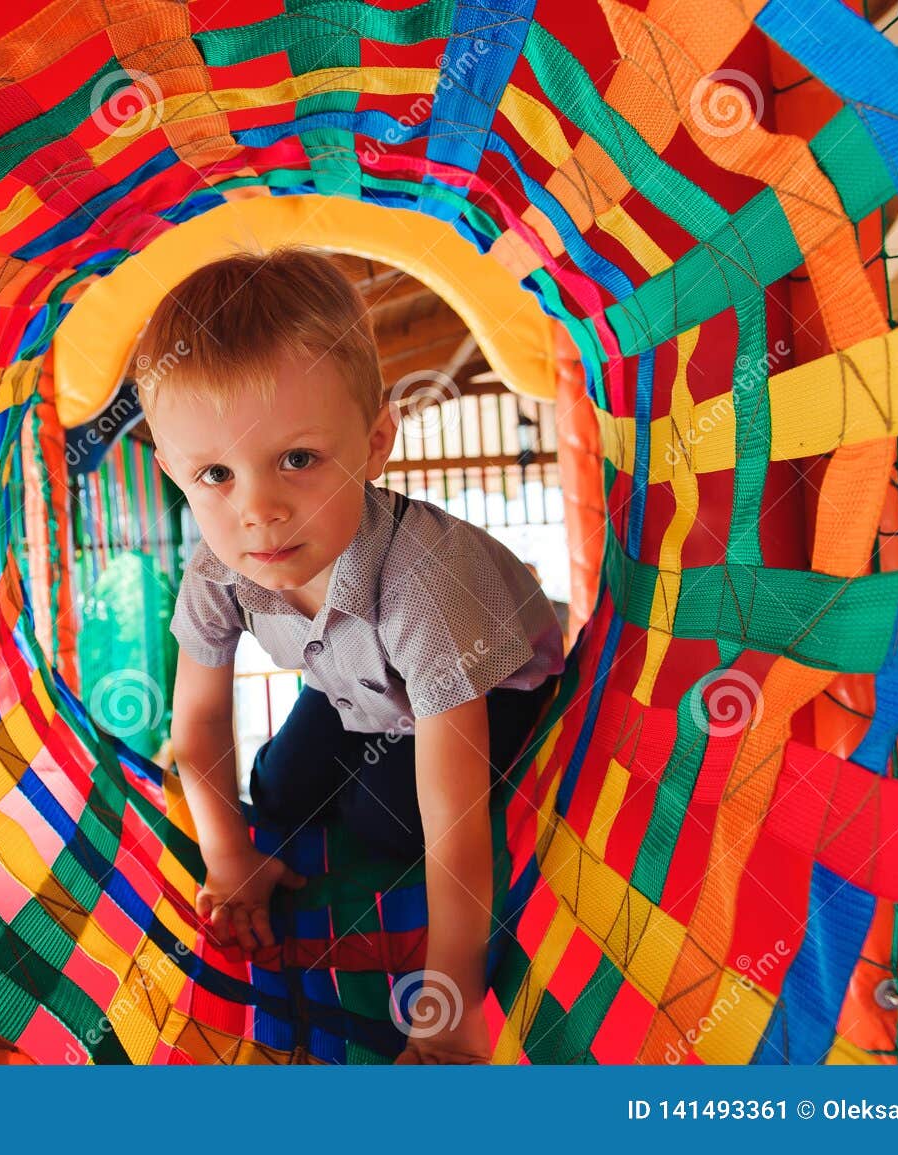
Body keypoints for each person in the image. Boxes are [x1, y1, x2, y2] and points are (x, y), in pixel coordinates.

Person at [138, 246, 564, 1063]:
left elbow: (456, 816)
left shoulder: (422, 583)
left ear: (374, 445)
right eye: (215, 474)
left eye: (297, 459)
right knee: (275, 788)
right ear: (175, 476)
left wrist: (448, 1004)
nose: (257, 510)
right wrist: (229, 863)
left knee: (387, 816)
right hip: (360, 690)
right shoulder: (216, 567)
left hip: (495, 684)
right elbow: (195, 726)